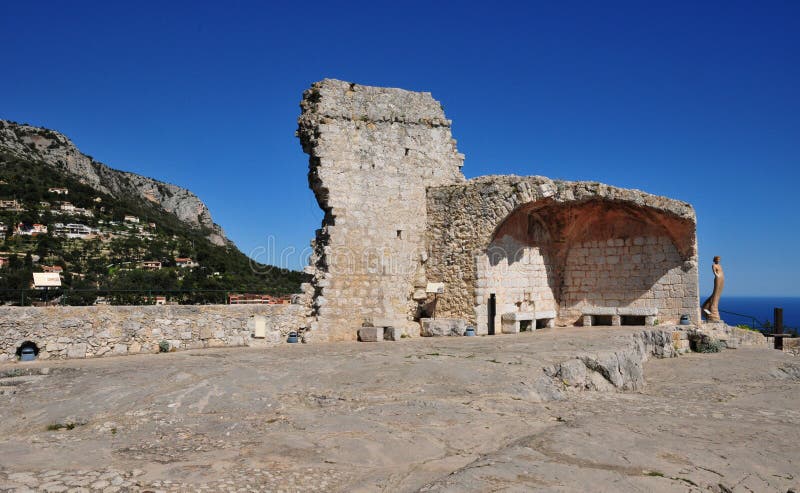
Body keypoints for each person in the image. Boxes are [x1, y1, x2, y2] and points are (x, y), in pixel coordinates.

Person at [701, 256, 724, 322]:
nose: (718, 260)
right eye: (717, 259)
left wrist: (721, 276)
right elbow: (714, 272)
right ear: (715, 259)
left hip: (722, 278)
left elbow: (721, 271)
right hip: (718, 278)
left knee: (718, 293)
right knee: (715, 293)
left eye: (719, 259)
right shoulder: (713, 265)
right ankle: (710, 309)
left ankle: (710, 308)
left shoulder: (720, 265)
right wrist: (717, 276)